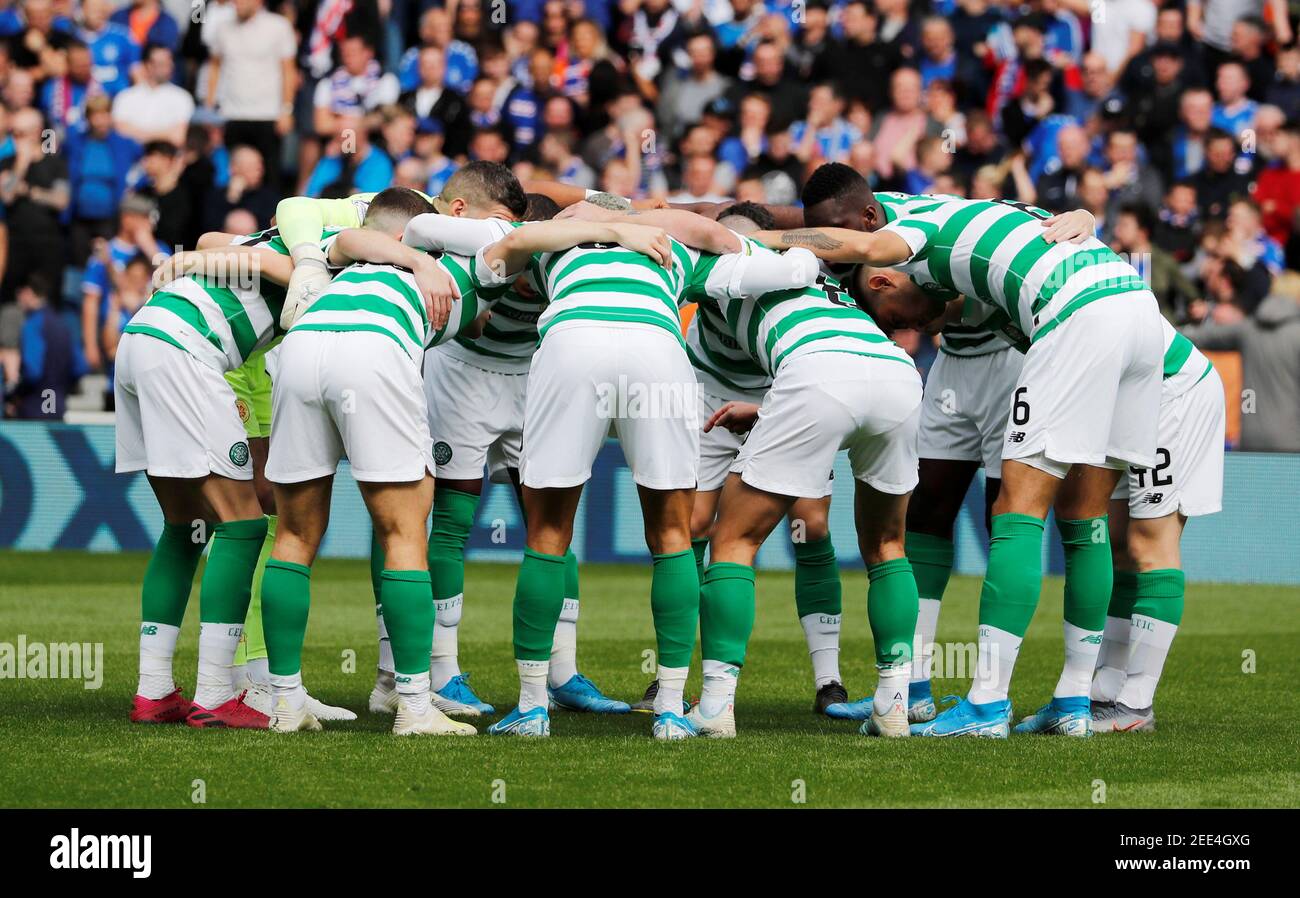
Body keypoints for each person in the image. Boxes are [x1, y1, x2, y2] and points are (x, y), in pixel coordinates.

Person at [259, 193, 670, 735]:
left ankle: (286, 701)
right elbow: (526, 238)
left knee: (294, 534)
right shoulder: (471, 259)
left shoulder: (375, 250)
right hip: (375, 350)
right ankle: (412, 703)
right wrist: (620, 229)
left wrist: (416, 259)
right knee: (406, 533)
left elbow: (346, 238)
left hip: (303, 350)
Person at [760, 189, 1165, 739]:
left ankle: (987, 704)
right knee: (1083, 517)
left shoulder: (916, 230)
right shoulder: (959, 208)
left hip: (1073, 319)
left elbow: (853, 240)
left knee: (1017, 513)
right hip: (1137, 307)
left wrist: (755, 243)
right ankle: (1070, 702)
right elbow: (818, 219)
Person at [1091, 321, 1225, 732]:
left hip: (1168, 392)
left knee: (1150, 544)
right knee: (1115, 544)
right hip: (1124, 399)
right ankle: (1104, 690)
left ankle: (1136, 703)